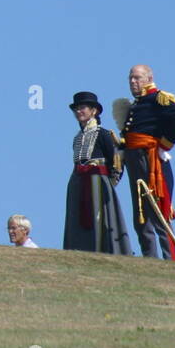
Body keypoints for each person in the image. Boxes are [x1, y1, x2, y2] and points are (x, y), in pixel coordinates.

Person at [117, 65, 175, 260]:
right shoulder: (137, 104)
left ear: (149, 78)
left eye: (138, 78)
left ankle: (170, 259)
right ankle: (150, 258)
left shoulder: (158, 99)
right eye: (131, 78)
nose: (133, 82)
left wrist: (164, 144)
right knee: (140, 211)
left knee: (158, 210)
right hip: (135, 158)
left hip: (150, 160)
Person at [62, 92, 131, 255]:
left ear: (94, 111)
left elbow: (116, 160)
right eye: (77, 109)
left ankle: (102, 249)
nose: (79, 111)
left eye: (83, 108)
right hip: (79, 181)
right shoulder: (77, 138)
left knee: (100, 217)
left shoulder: (103, 134)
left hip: (97, 182)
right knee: (77, 217)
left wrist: (111, 184)